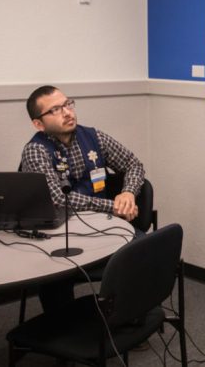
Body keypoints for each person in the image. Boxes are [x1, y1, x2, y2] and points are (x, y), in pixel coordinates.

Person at [21, 85, 146, 314]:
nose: (68, 112)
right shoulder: (36, 151)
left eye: (68, 104)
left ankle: (130, 320)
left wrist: (128, 193)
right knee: (55, 270)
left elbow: (133, 164)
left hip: (104, 226)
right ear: (38, 123)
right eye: (56, 110)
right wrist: (113, 206)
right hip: (61, 233)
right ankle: (64, 332)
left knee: (145, 249)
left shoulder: (93, 137)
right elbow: (57, 200)